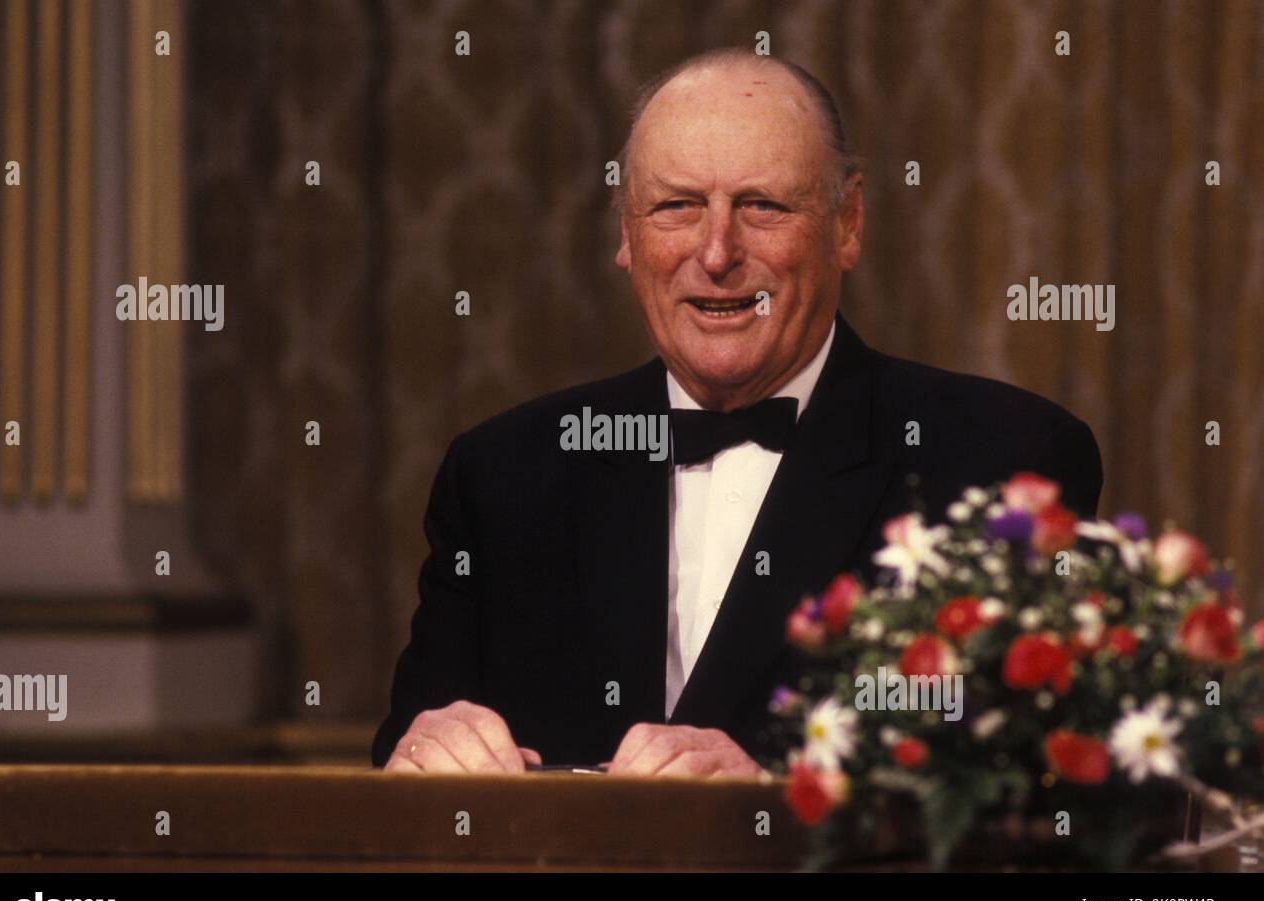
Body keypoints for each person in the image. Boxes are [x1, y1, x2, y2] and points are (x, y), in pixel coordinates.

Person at [372, 47, 1102, 777]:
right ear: (627, 233)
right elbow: (397, 780)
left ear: (847, 223)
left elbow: (1039, 788)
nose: (717, 253)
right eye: (676, 207)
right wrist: (426, 755)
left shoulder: (1006, 464)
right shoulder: (503, 477)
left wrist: (772, 802)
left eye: (763, 206)